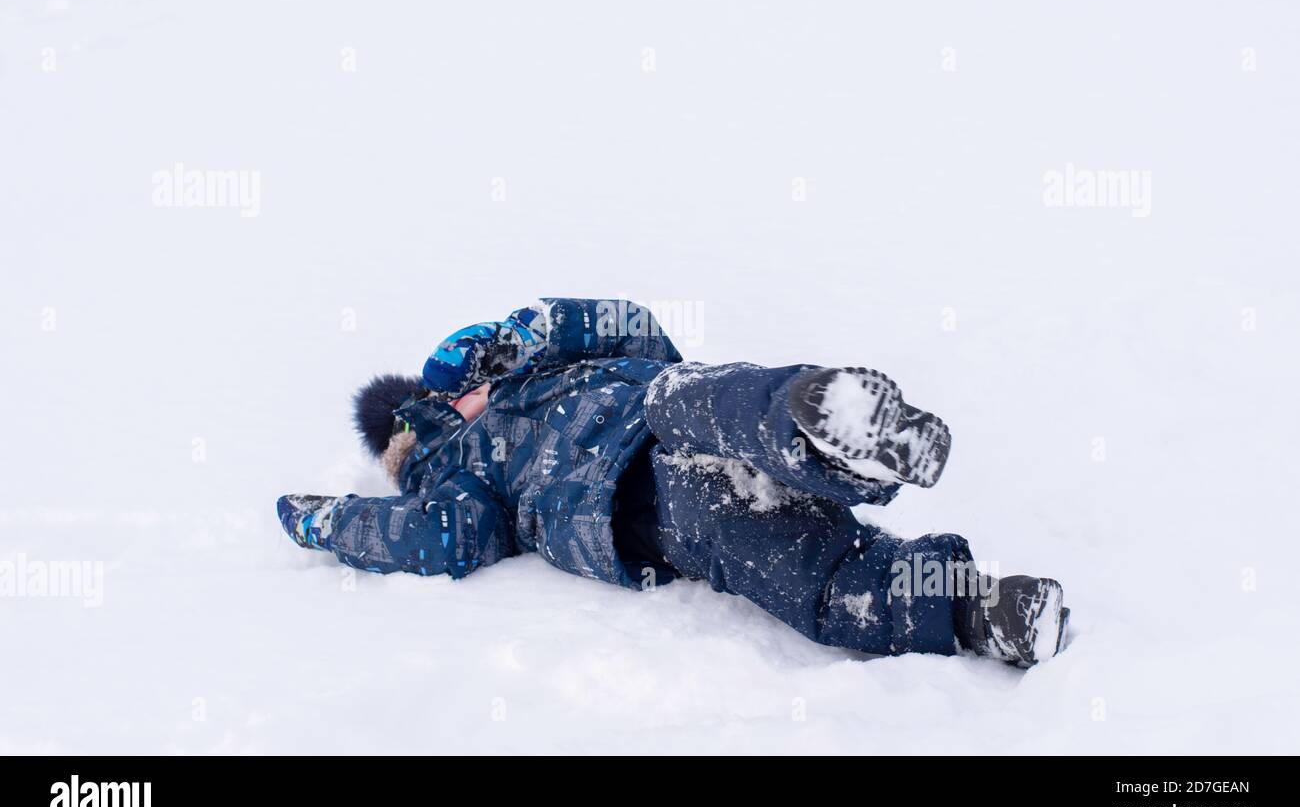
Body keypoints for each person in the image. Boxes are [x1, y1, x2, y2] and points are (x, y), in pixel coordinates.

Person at [277, 297, 1069, 666]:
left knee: (688, 394)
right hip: (646, 508)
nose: (468, 397)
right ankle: (980, 611)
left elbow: (642, 331)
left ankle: (832, 431)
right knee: (815, 578)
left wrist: (536, 328)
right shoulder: (457, 474)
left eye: (468, 376)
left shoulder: (552, 363)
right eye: (447, 400)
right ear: (420, 428)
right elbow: (440, 539)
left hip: (671, 416)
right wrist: (330, 521)